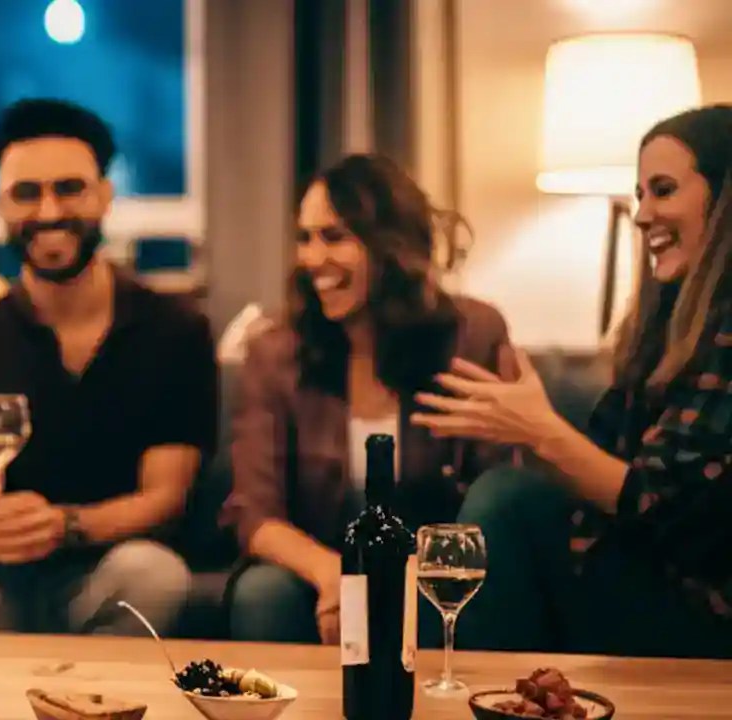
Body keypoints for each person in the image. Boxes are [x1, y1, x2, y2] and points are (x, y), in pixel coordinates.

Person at [414, 105, 732, 658]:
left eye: (663, 190)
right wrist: (524, 434)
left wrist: (543, 433)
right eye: (639, 195)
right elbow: (605, 466)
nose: (641, 214)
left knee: (508, 502)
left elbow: (669, 512)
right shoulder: (665, 327)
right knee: (500, 498)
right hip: (643, 578)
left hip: (705, 605)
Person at [0, 98, 218, 636]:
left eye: (69, 188)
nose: (49, 212)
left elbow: (166, 499)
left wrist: (64, 526)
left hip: (108, 575)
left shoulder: (175, 332)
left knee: (157, 573)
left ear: (105, 194)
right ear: (0, 207)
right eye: (26, 194)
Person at [221, 154, 515, 643]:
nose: (313, 258)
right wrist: (331, 574)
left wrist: (405, 579)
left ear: (391, 244)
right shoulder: (275, 350)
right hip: (319, 566)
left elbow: (494, 496)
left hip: (433, 572)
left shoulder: (471, 333)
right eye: (305, 238)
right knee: (262, 592)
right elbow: (254, 513)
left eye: (334, 237)